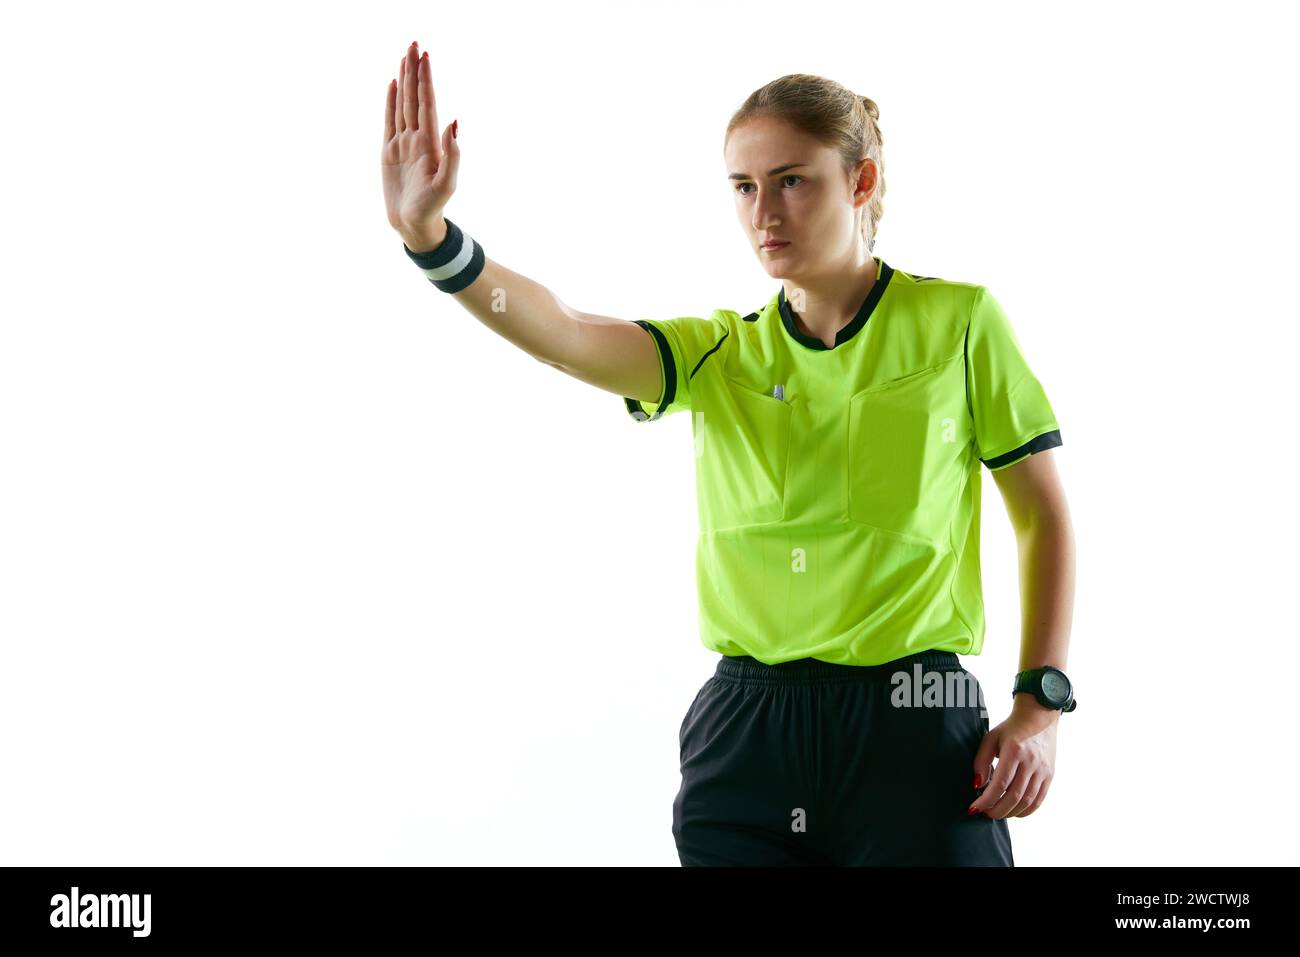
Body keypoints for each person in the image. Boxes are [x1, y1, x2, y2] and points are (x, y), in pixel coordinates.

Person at [381, 41, 1077, 866]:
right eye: (744, 187)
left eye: (791, 180)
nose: (764, 213)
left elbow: (1042, 515)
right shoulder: (721, 353)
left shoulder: (961, 322)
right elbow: (565, 334)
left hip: (911, 713)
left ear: (860, 182)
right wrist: (431, 237)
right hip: (748, 732)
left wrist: (1039, 707)